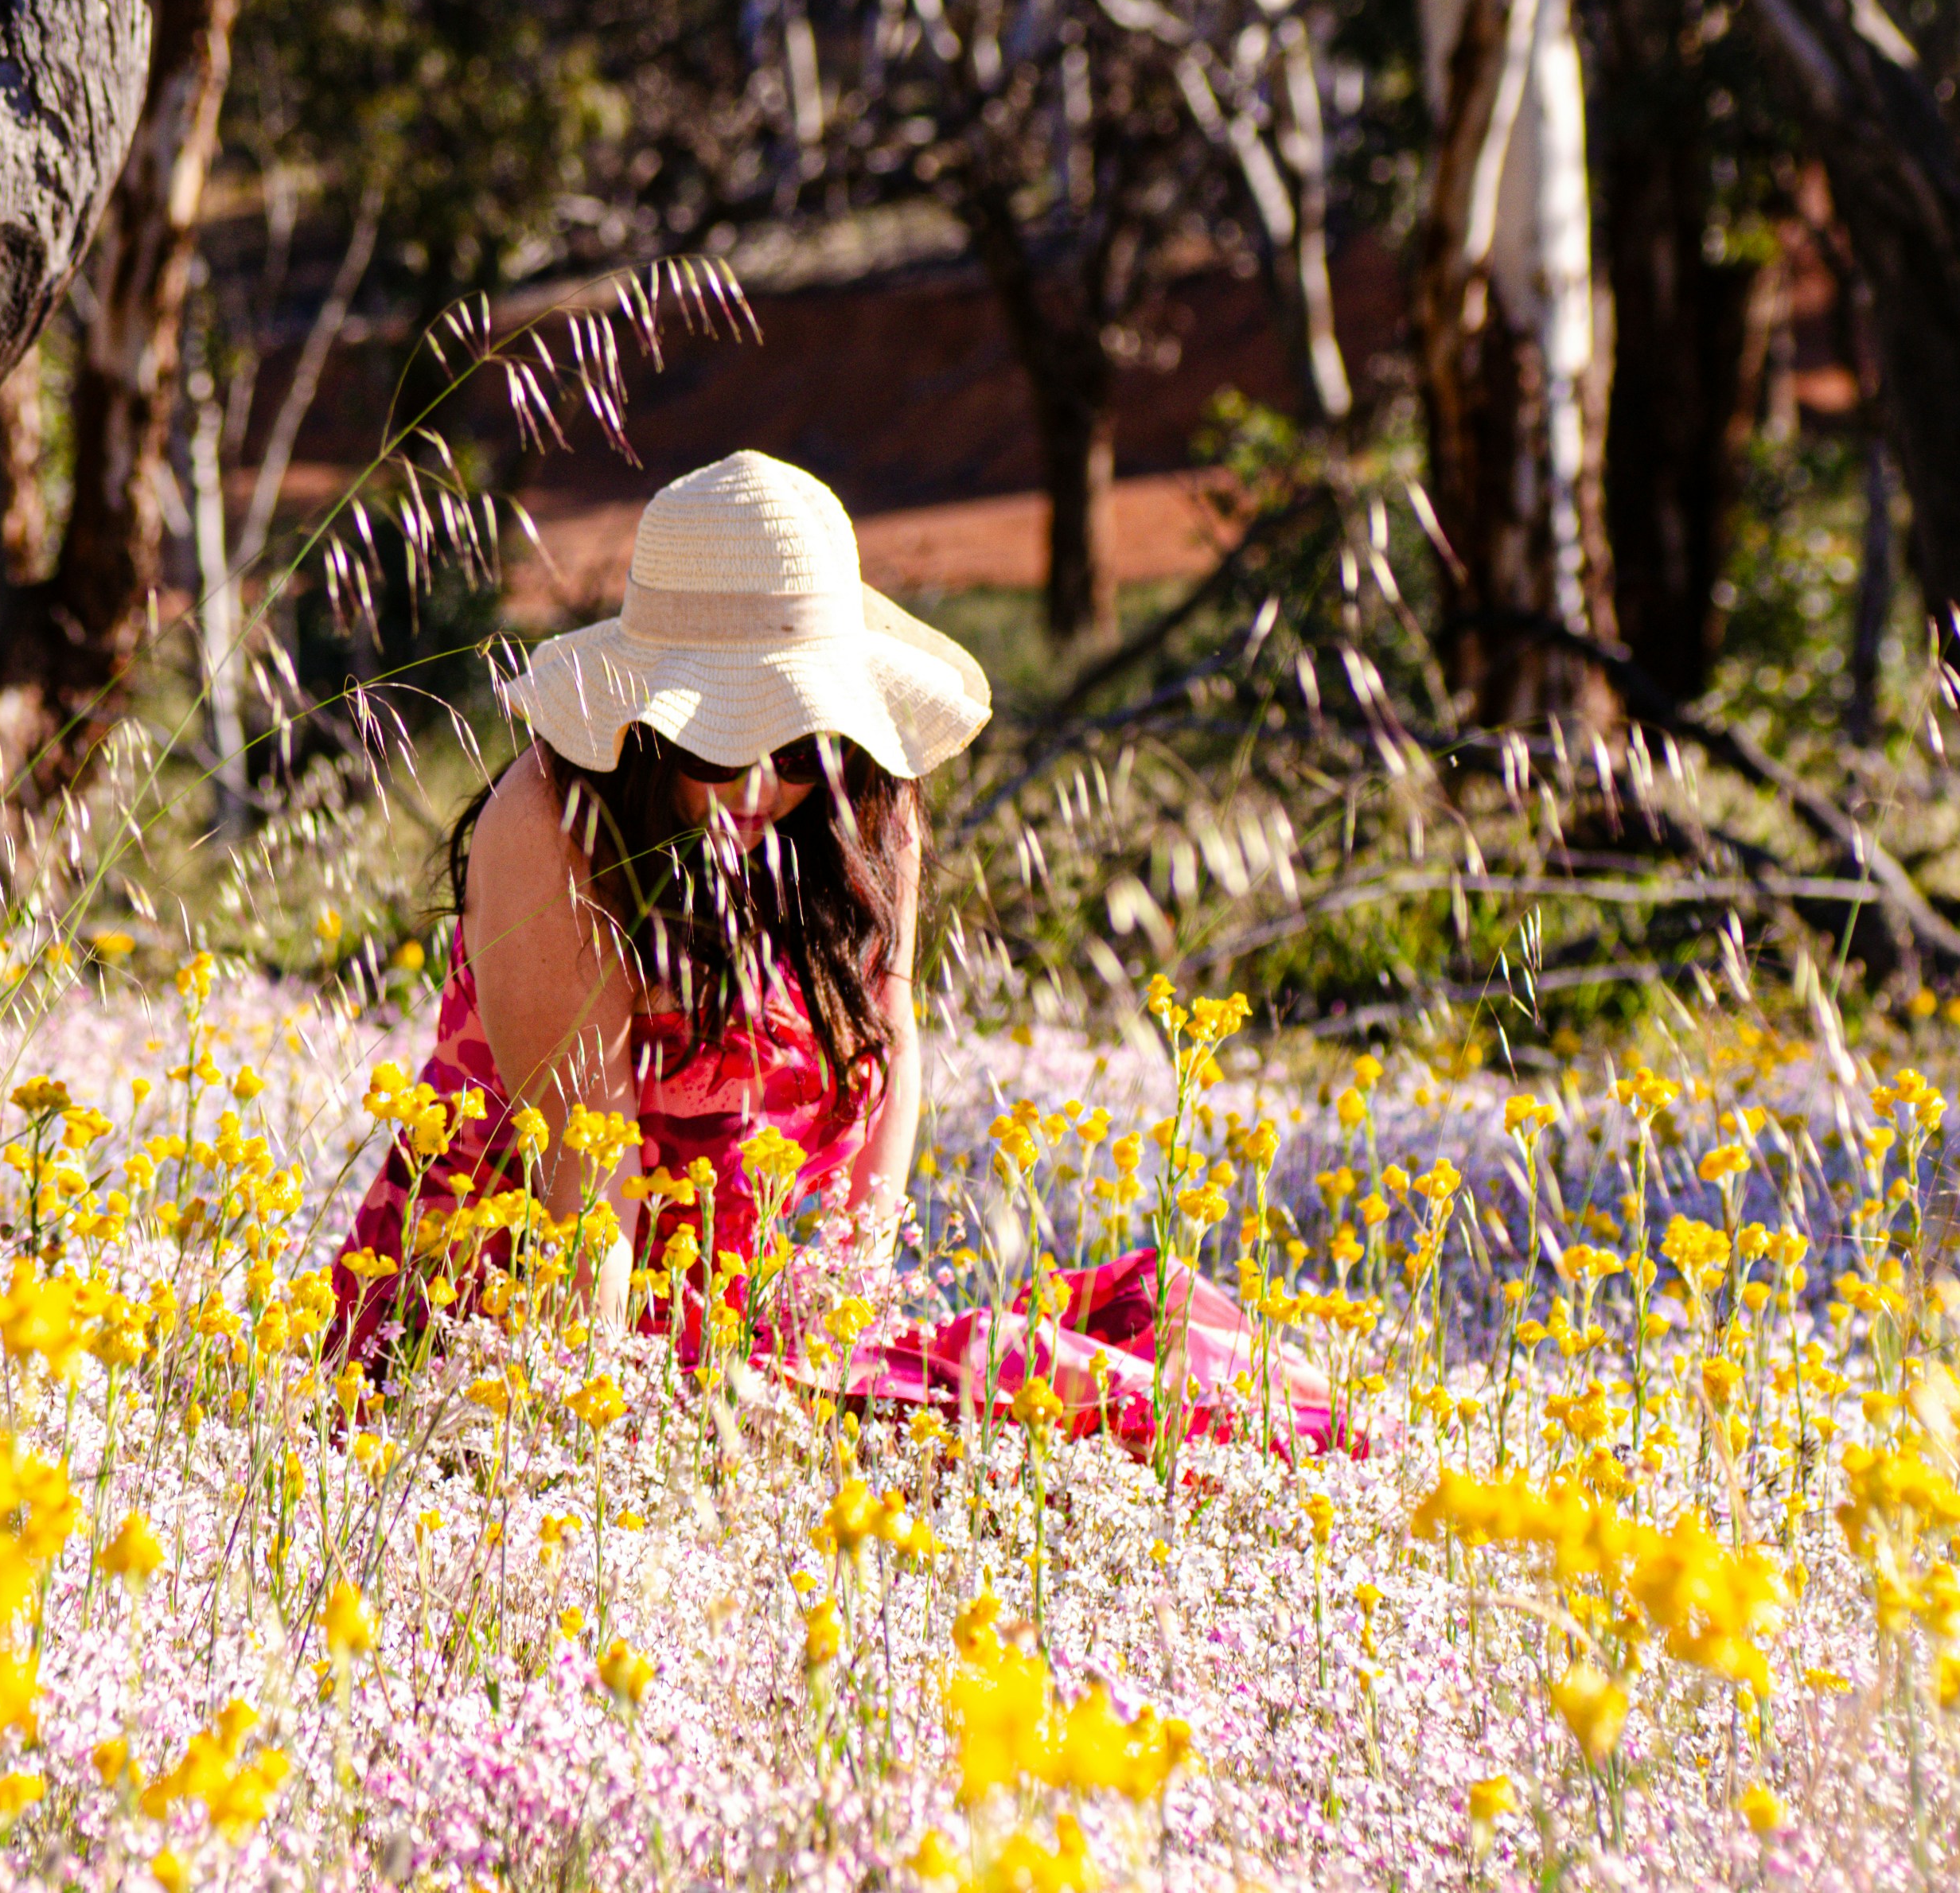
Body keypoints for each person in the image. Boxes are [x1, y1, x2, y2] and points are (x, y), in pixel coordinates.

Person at [330, 450, 1348, 1454]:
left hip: (756, 1334)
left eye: (800, 747)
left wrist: (842, 1314)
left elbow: (888, 1035)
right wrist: (587, 1450)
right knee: (1051, 1401)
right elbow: (583, 1170)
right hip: (514, 1329)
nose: (757, 789)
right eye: (713, 747)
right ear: (643, 721)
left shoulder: (865, 794)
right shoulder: (549, 818)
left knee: (1152, 1353)